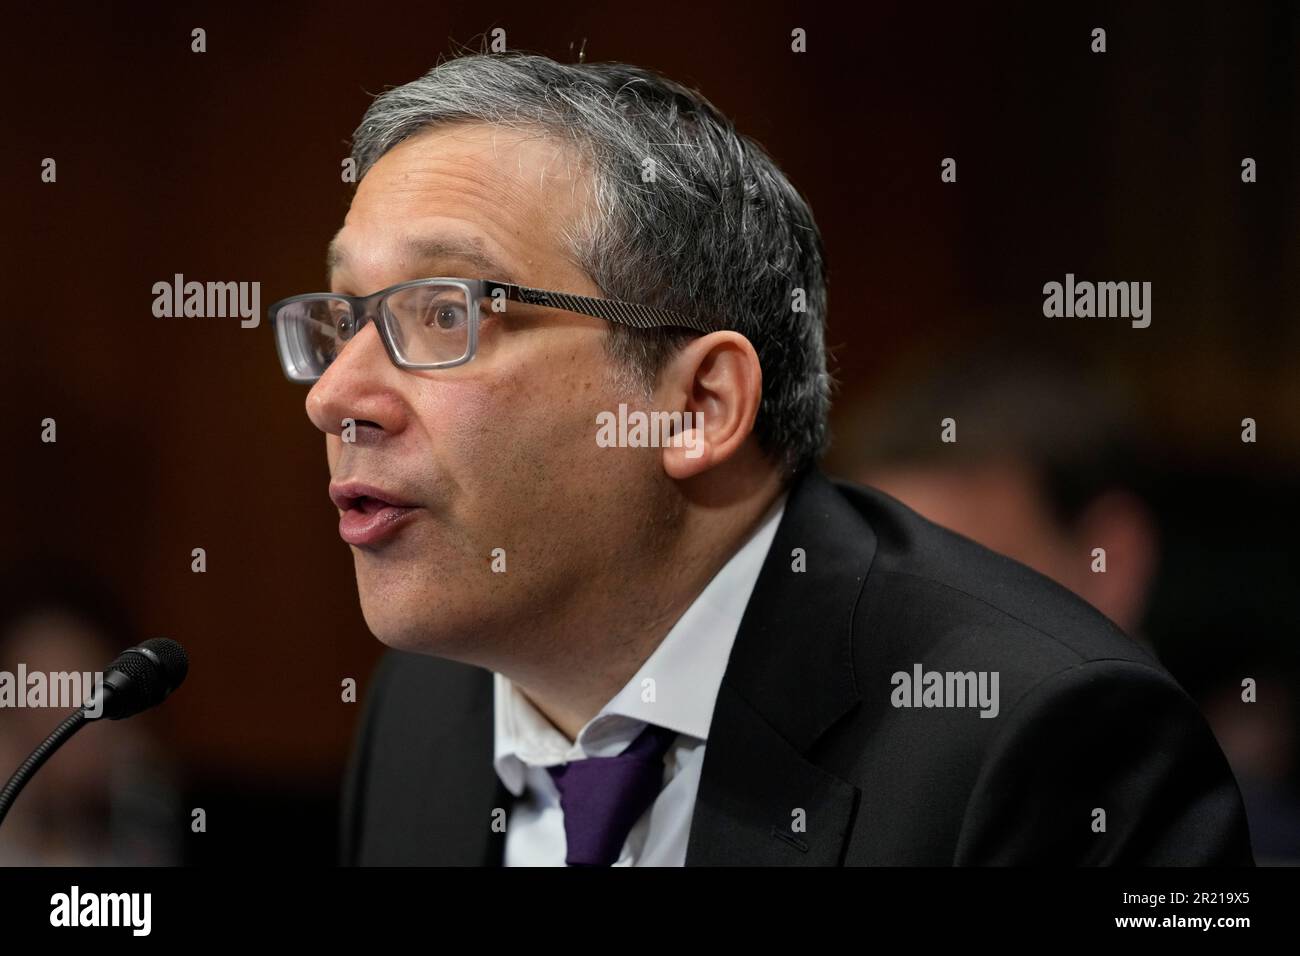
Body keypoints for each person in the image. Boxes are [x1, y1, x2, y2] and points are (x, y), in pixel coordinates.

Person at [268, 52, 1252, 865]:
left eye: (445, 313)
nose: (333, 396)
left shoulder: (1041, 742)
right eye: (344, 318)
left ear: (696, 406)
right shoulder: (432, 704)